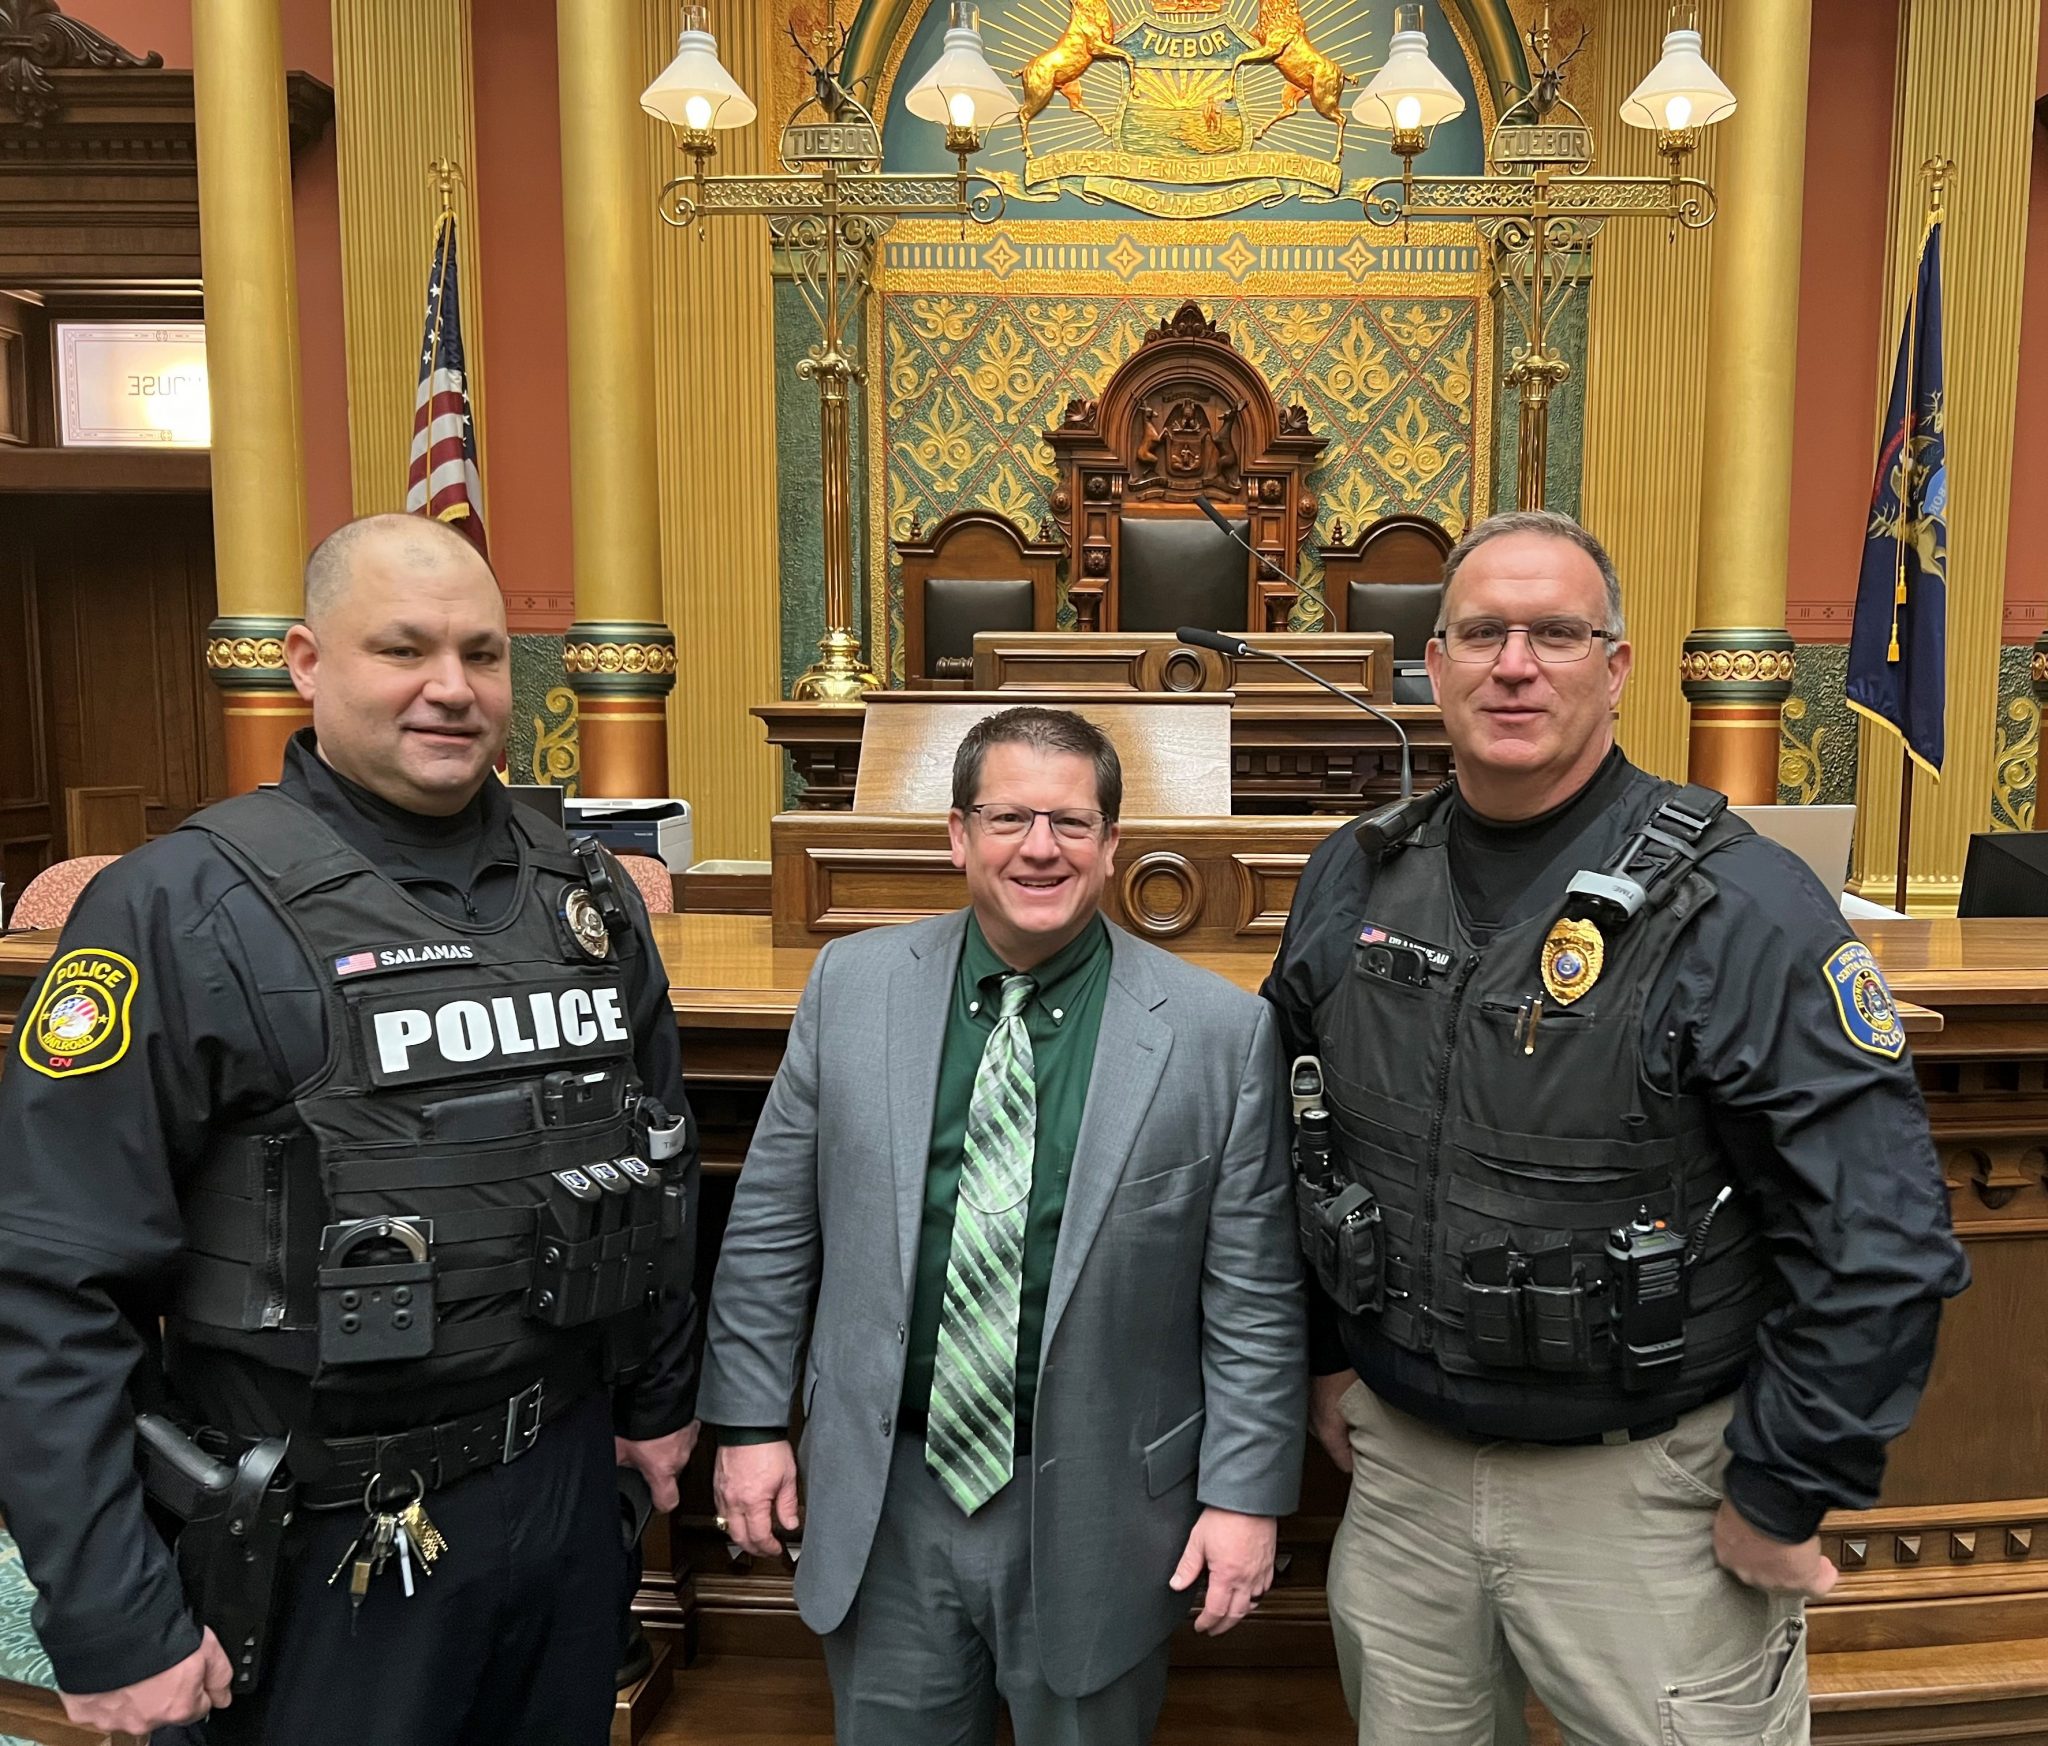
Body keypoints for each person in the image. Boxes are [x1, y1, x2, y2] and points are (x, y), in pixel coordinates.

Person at [1262, 509, 1969, 1745]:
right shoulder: (1354, 875)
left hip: (1647, 1501)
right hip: (1404, 1490)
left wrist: (1785, 1486)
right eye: (1479, 632)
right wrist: (1327, 1352)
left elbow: (1880, 1236)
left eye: (1554, 633)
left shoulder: (1740, 905)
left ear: (1617, 665)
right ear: (1433, 665)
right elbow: (1303, 1140)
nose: (1514, 663)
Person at [0, 514, 701, 1745]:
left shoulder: (585, 898)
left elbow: (653, 1159)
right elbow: (45, 1283)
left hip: (559, 1500)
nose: (452, 689)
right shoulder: (177, 909)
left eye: (483, 655)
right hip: (320, 1535)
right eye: (404, 650)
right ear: (307, 661)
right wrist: (113, 1617)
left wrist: (654, 1400)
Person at [700, 704, 1305, 1746]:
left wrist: (1245, 1496)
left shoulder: (1217, 1035)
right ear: (956, 836)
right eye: (1009, 818)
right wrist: (751, 1426)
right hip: (889, 1493)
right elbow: (769, 1226)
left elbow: (1251, 1296)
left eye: (1070, 824)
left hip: (1104, 1508)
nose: (1039, 848)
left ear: (1111, 849)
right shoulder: (851, 987)